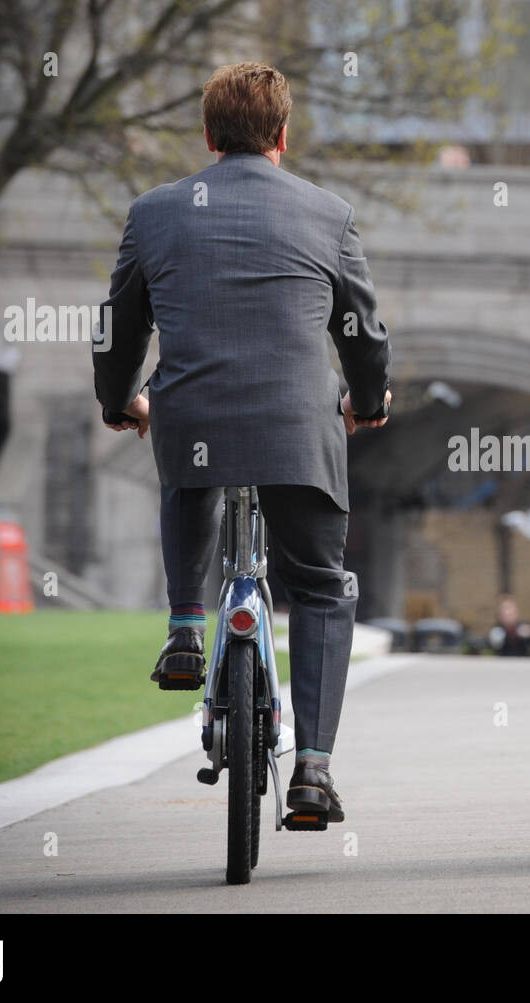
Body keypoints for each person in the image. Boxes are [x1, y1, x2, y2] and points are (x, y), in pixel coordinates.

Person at [93, 62, 392, 824]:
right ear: (283, 137)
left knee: (187, 469)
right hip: (300, 428)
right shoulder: (329, 213)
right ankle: (314, 771)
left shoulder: (156, 213)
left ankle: (187, 625)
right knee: (322, 586)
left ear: (208, 135)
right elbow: (360, 329)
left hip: (192, 417)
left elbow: (118, 327)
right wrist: (366, 401)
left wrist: (119, 398)